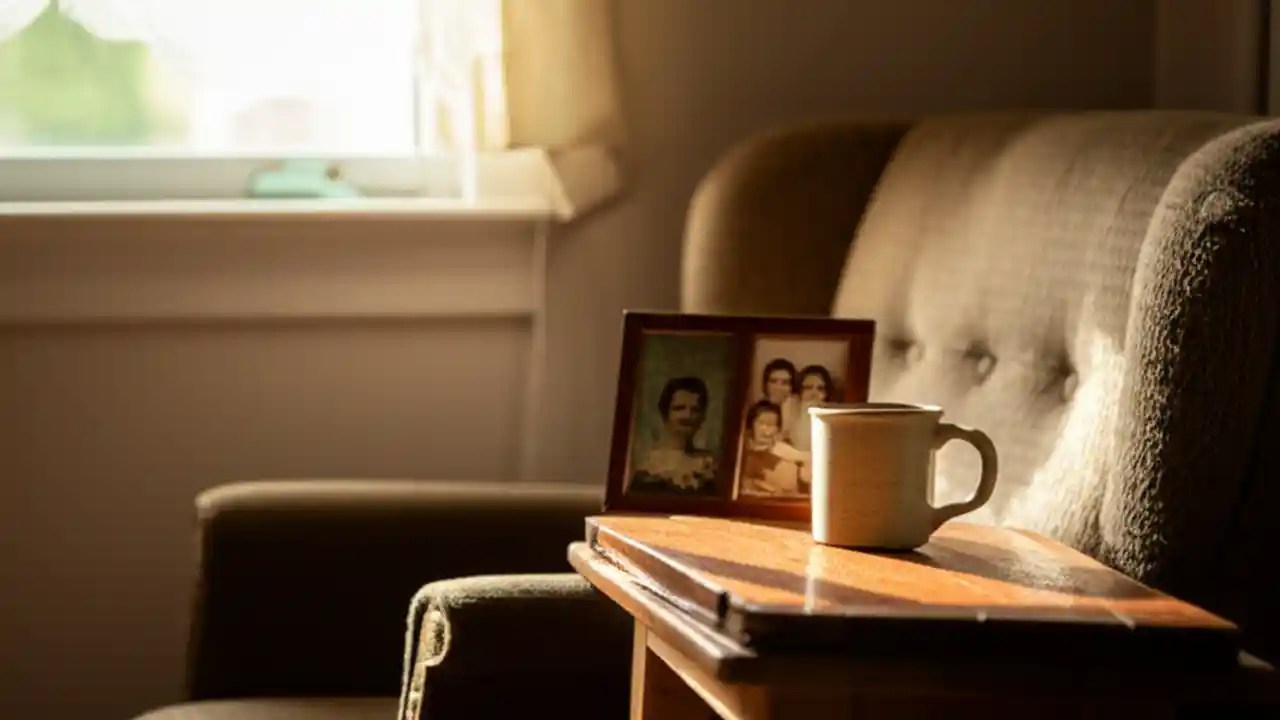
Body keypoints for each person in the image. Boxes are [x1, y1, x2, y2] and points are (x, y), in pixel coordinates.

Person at [630, 376, 717, 494]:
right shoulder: (648, 465)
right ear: (665, 413)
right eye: (679, 408)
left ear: (703, 416)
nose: (687, 415)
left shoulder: (711, 465)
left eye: (695, 410)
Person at [738, 400, 811, 497]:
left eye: (772, 425)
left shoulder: (784, 452)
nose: (767, 431)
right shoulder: (739, 452)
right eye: (762, 423)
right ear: (751, 425)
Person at [788, 364, 835, 452]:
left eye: (820, 389)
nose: (814, 393)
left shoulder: (834, 419)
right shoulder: (788, 410)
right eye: (808, 388)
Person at [760, 358, 800, 441]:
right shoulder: (757, 411)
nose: (778, 387)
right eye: (773, 381)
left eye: (785, 383)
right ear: (765, 385)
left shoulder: (799, 411)